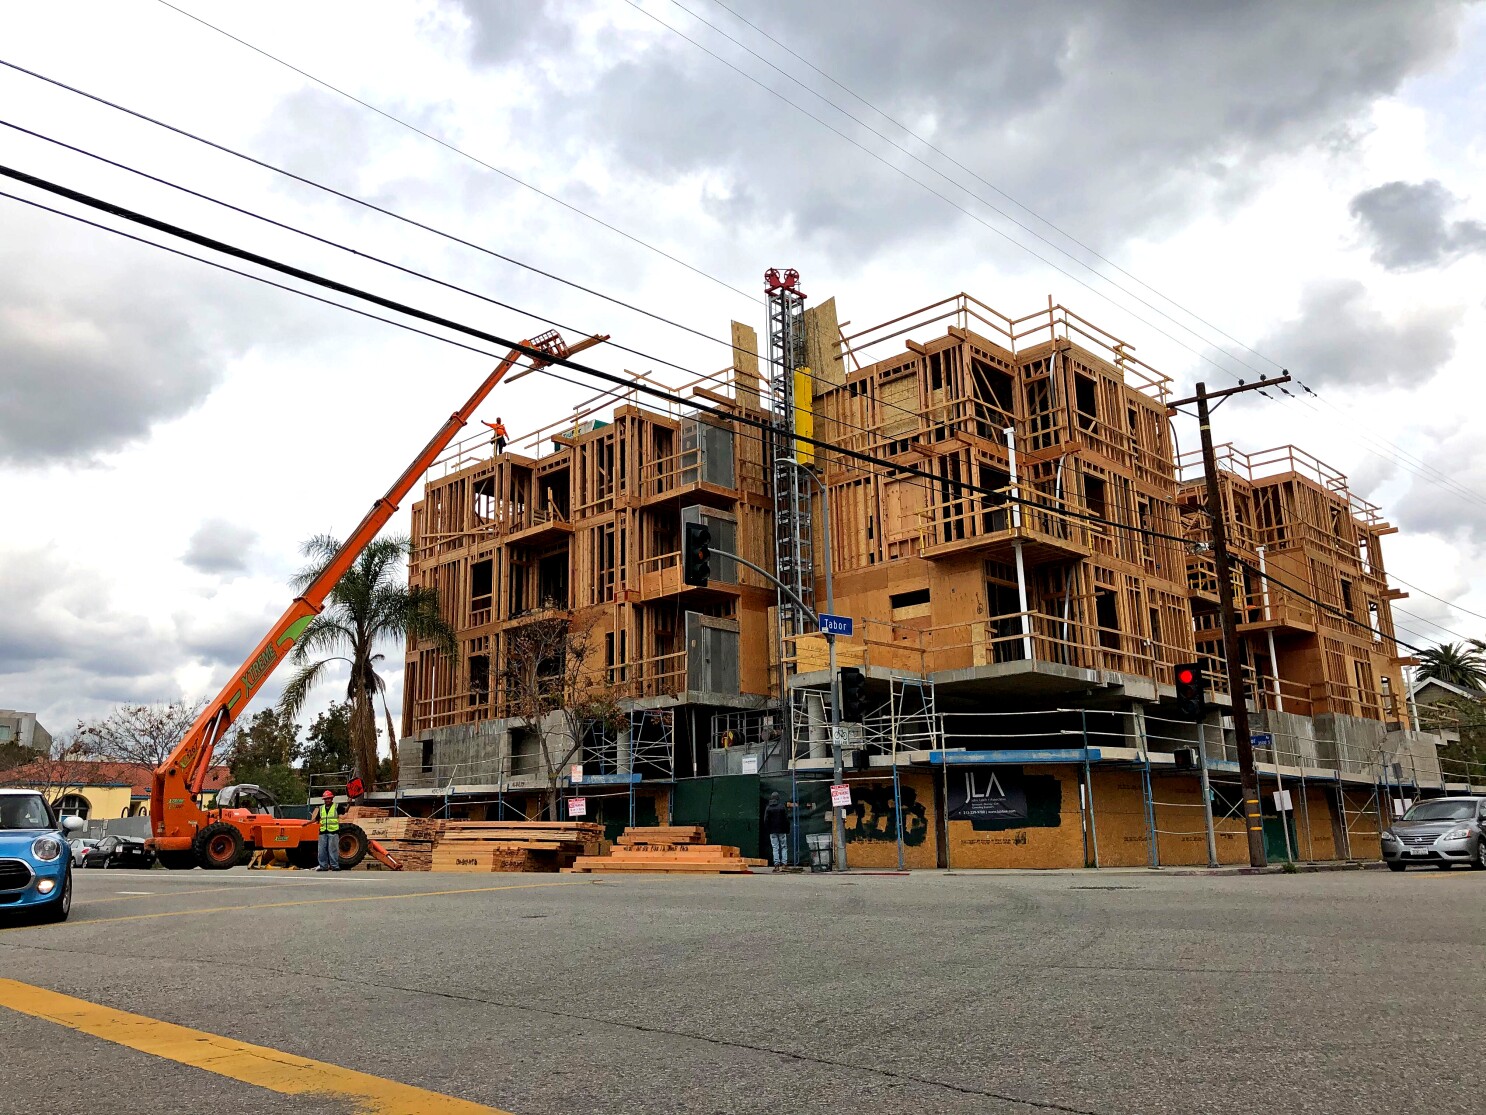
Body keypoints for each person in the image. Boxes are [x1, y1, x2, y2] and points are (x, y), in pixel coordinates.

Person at [763, 791, 794, 868]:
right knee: (783, 846)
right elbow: (786, 819)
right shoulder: (782, 807)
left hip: (772, 831)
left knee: (775, 847)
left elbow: (766, 820)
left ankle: (776, 864)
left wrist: (768, 829)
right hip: (782, 830)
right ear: (778, 798)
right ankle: (784, 863)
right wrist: (787, 829)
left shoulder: (768, 808)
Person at [314, 790, 340, 872]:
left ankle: (334, 866)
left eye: (328, 799)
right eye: (325, 799)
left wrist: (349, 803)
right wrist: (307, 823)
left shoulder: (336, 807)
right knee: (321, 850)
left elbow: (345, 811)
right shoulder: (321, 808)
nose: (327, 800)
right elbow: (316, 819)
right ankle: (323, 866)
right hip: (323, 832)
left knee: (333, 850)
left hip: (333, 832)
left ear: (332, 799)